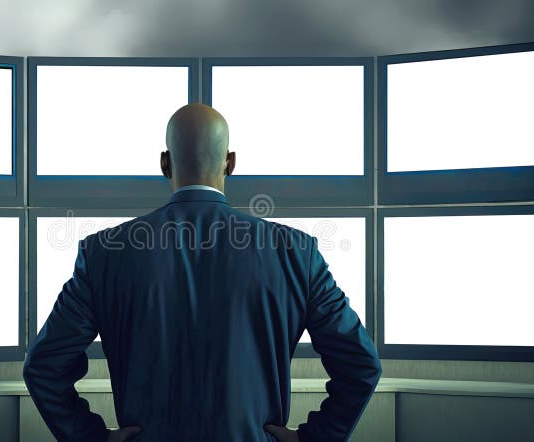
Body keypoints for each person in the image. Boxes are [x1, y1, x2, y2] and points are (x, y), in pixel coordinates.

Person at [23, 103, 382, 442]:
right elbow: (360, 364)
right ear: (231, 163)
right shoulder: (295, 252)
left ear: (165, 163)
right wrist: (315, 437)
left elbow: (43, 366)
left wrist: (90, 438)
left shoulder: (104, 253)